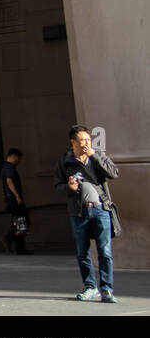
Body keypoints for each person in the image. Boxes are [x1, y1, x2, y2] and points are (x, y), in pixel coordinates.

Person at [54, 125, 119, 303]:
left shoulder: (97, 156)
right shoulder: (64, 161)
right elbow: (57, 186)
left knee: (105, 251)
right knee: (83, 252)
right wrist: (68, 187)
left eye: (88, 140)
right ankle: (90, 287)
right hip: (79, 211)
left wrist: (94, 156)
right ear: (73, 142)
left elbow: (113, 173)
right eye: (82, 140)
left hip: (100, 209)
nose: (86, 143)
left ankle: (107, 289)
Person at [0, 148, 31, 255]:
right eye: (18, 158)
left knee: (21, 222)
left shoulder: (7, 167)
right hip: (13, 199)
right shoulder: (9, 168)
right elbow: (9, 181)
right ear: (13, 156)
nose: (19, 161)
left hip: (12, 198)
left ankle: (19, 247)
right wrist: (17, 196)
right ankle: (10, 239)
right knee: (23, 221)